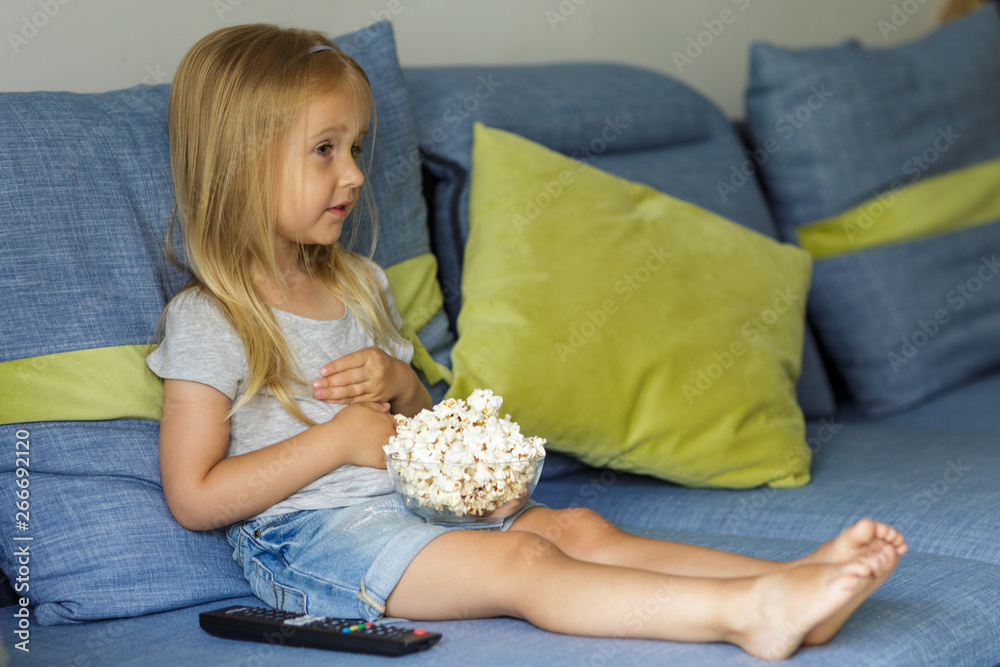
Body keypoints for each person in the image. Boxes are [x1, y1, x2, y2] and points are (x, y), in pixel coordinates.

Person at [149, 23, 907, 661]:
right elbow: (193, 496)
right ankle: (745, 616)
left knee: (576, 526)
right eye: (326, 150)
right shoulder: (210, 318)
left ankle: (781, 581)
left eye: (356, 147)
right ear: (243, 161)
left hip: (410, 508)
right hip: (312, 543)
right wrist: (342, 438)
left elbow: (417, 425)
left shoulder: (359, 284)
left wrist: (401, 385)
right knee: (524, 560)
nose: (353, 174)